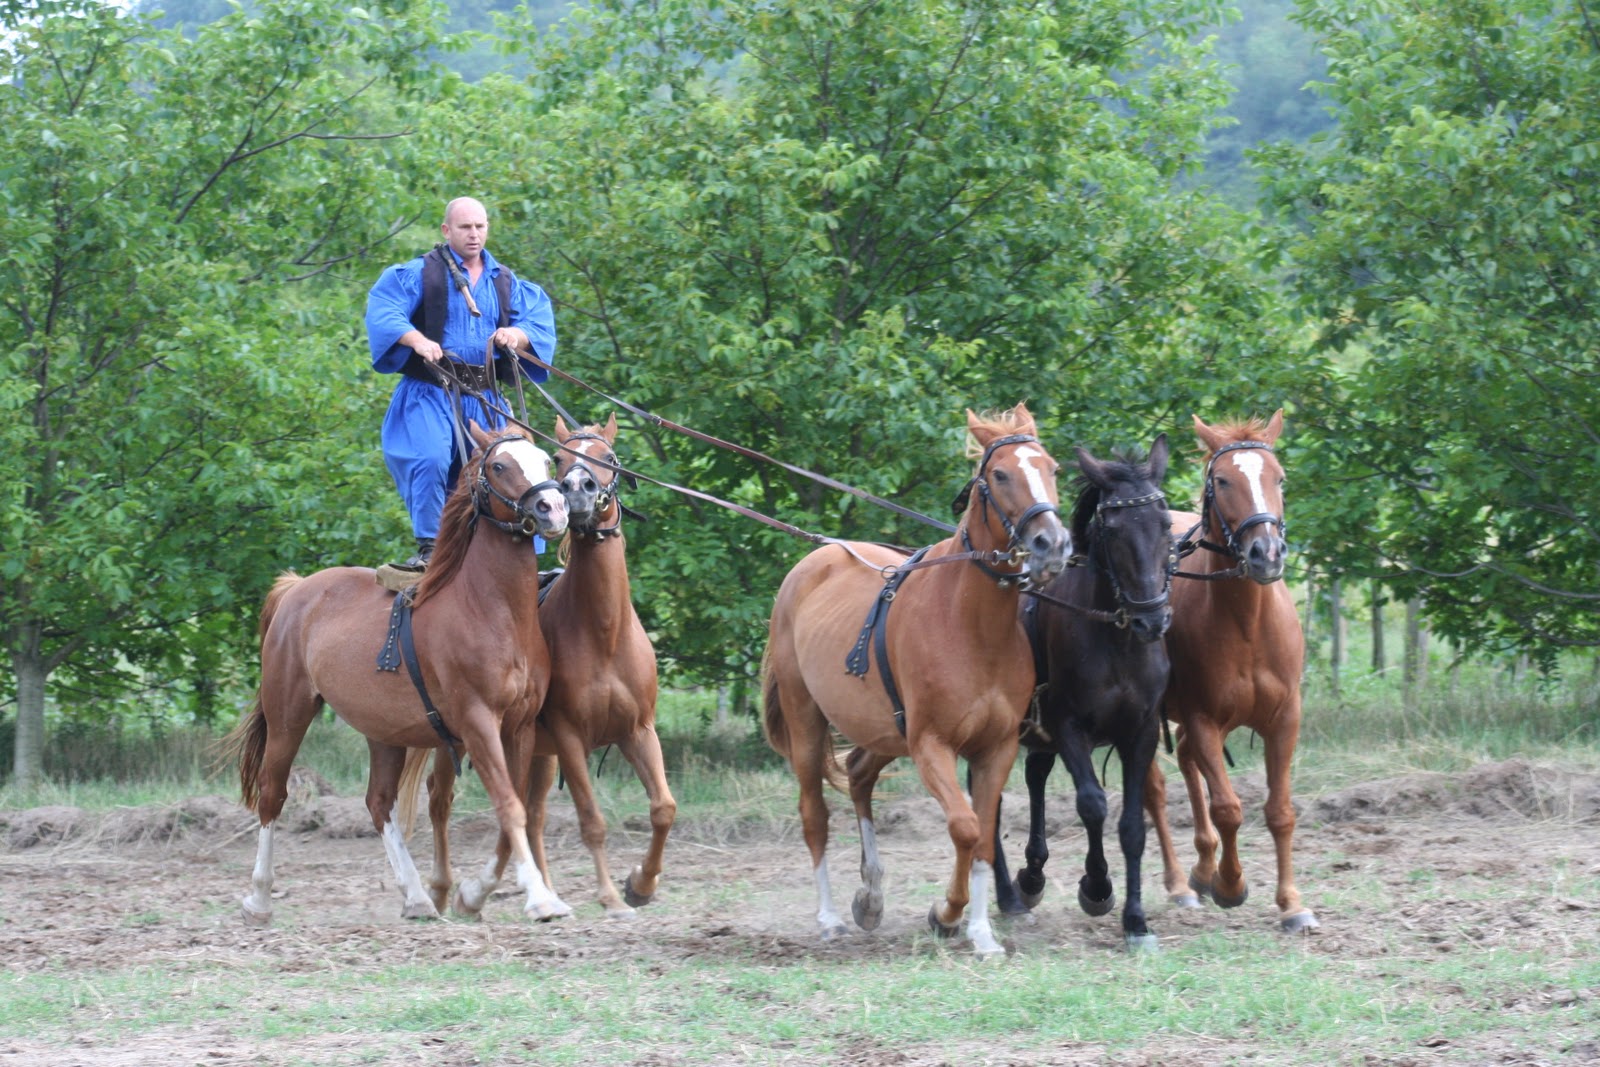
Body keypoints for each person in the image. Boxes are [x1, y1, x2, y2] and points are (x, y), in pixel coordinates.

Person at [365, 197, 557, 571]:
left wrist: (514, 335)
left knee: (511, 469)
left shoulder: (504, 280)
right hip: (430, 394)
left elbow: (537, 321)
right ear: (446, 230)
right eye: (465, 227)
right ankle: (430, 547)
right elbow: (384, 309)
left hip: (484, 399)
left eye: (480, 227)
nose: (474, 234)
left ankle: (517, 552)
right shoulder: (419, 273)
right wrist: (415, 339)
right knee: (432, 459)